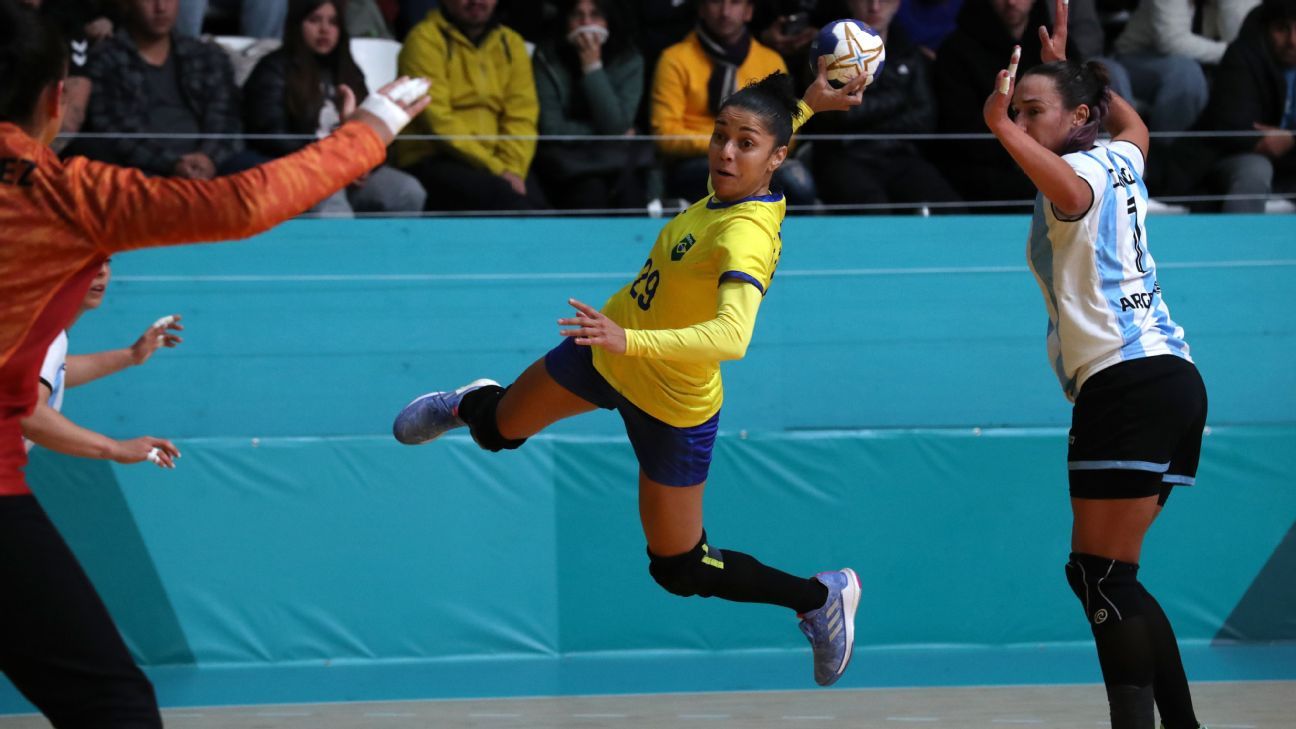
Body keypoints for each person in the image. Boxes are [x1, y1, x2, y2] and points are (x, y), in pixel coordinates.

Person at [0, 0, 429, 722]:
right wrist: (370, 129)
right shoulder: (65, 193)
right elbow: (242, 203)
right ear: (55, 99)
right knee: (109, 704)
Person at [392, 66, 868, 688]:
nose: (726, 152)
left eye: (745, 144)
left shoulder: (746, 234)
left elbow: (733, 337)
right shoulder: (734, 185)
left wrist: (630, 340)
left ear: (776, 158)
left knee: (680, 568)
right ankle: (469, 402)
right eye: (720, 135)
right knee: (496, 430)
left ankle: (820, 598)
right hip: (606, 351)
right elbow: (768, 132)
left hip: (671, 400)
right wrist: (806, 103)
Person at [982, 4, 1209, 728]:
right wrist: (1075, 70)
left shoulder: (1079, 173)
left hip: (1127, 383)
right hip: (1172, 377)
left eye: (1035, 110)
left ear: (1079, 118)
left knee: (1102, 576)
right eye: (1019, 109)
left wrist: (1000, 127)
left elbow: (1071, 193)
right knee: (1109, 574)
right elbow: (1137, 129)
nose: (1023, 118)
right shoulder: (1119, 154)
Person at [244, 0, 427, 216]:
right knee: (331, 196)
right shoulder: (273, 68)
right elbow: (269, 135)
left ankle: (390, 241)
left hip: (349, 167)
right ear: (297, 24)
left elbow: (370, 125)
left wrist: (365, 164)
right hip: (302, 169)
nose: (324, 29)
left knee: (407, 191)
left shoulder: (349, 69)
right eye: (315, 20)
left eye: (333, 22)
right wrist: (328, 159)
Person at [651, 0, 817, 205]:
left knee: (798, 183)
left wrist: (748, 150)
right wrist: (728, 144)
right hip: (694, 163)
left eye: (735, 2)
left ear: (748, 11)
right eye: (716, 2)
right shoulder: (674, 59)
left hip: (758, 159)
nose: (725, 11)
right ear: (701, 9)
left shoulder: (770, 60)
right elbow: (665, 135)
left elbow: (787, 132)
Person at [22, 261, 184, 469]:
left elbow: (51, 372)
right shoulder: (41, 333)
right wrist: (116, 448)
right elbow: (28, 413)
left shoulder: (42, 331)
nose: (102, 271)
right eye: (89, 262)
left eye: (107, 262)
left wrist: (131, 356)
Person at [810, 0, 964, 213]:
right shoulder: (827, 50)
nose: (875, 7)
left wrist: (868, 119)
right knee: (874, 213)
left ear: (898, 3)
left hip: (900, 156)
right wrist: (899, 98)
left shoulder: (909, 52)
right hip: (845, 158)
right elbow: (841, 114)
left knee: (950, 209)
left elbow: (924, 120)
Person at [79, 0, 261, 178]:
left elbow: (227, 120)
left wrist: (209, 159)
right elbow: (117, 132)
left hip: (212, 163)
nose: (161, 7)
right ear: (127, 3)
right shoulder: (106, 60)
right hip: (145, 169)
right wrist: (173, 163)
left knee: (260, 172)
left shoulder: (206, 55)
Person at [396, 0, 548, 211]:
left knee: (543, 208)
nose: (477, 1)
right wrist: (497, 169)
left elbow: (522, 115)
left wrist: (513, 168)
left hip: (498, 161)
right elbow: (437, 121)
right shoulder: (423, 39)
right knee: (508, 201)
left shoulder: (512, 43)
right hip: (434, 157)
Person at [533, 0, 650, 211]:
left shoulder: (629, 60)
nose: (586, 23)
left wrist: (592, 68)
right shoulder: (546, 58)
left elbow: (616, 124)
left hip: (617, 159)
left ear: (608, 20)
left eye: (595, 15)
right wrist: (608, 133)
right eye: (577, 15)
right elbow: (552, 128)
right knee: (589, 191)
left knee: (630, 192)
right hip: (566, 161)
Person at [1183, 0, 1296, 212]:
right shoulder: (1242, 57)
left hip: (1288, 162)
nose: (1292, 40)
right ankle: (1240, 235)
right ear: (1267, 29)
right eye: (1282, 29)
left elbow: (1281, 142)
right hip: (1226, 158)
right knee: (1255, 171)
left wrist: (1290, 138)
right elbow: (1242, 134)